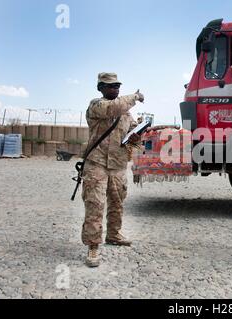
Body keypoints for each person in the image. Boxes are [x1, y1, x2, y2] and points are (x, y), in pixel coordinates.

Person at [82, 72, 145, 268]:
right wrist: (135, 96)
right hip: (97, 163)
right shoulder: (97, 105)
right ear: (100, 88)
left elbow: (134, 133)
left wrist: (137, 135)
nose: (115, 88)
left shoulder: (126, 114)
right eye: (110, 86)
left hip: (117, 164)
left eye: (117, 85)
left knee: (117, 202)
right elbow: (113, 108)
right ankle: (93, 245)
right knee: (95, 205)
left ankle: (113, 234)